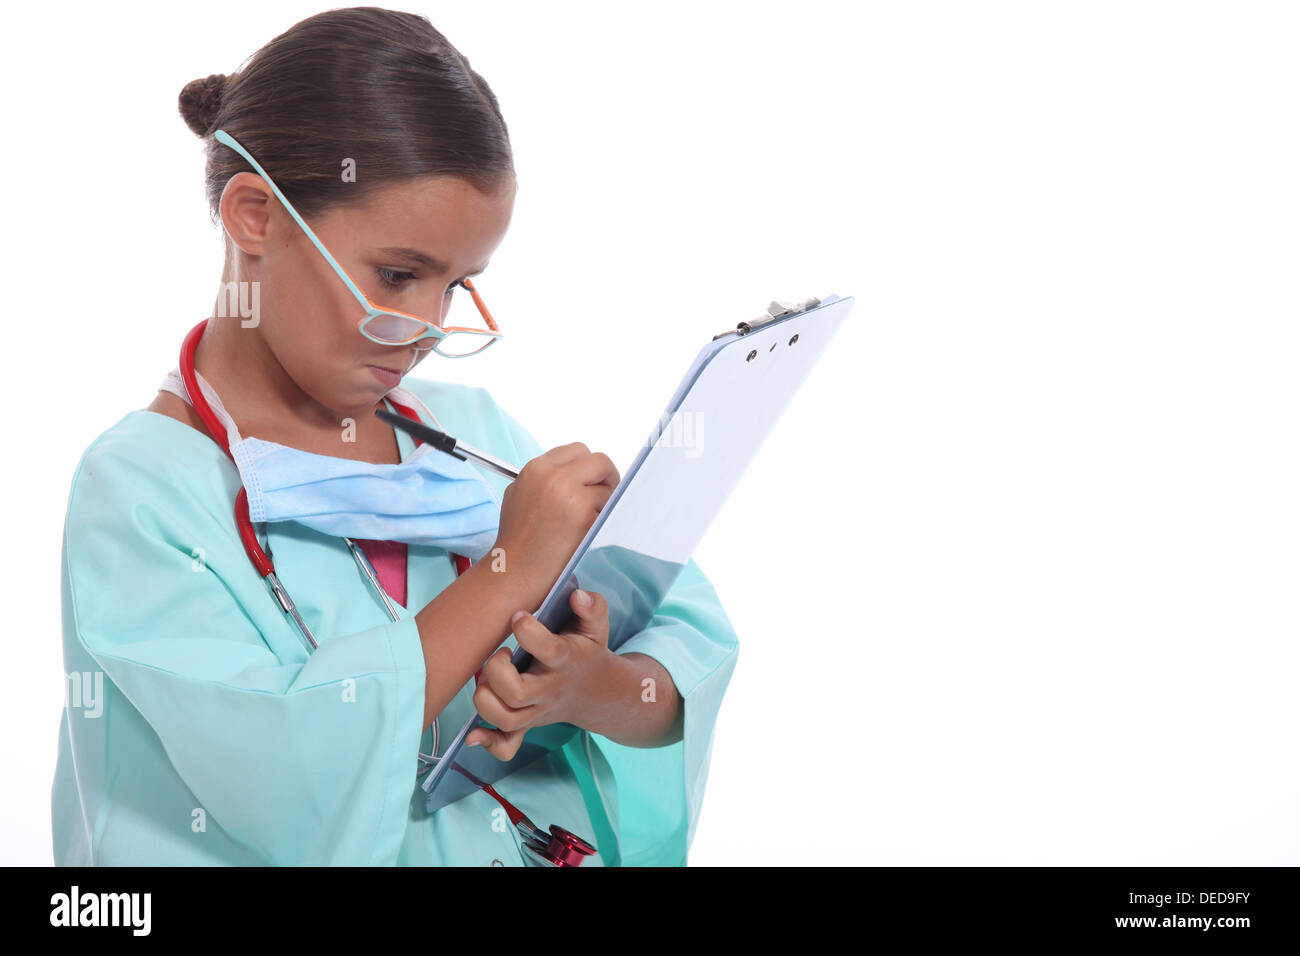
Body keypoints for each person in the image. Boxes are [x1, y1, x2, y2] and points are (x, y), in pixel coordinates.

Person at [52, 6, 738, 866]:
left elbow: (683, 651)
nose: (425, 328)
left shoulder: (477, 434)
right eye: (398, 275)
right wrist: (509, 571)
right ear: (256, 216)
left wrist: (588, 690)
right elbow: (279, 773)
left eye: (456, 286)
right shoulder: (141, 492)